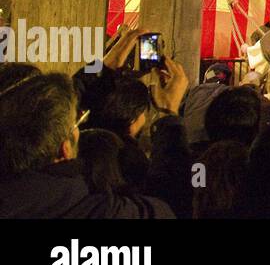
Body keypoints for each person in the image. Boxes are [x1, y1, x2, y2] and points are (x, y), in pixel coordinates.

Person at [0, 71, 173, 219]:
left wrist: (101, 65)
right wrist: (169, 114)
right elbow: (172, 207)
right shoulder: (99, 207)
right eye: (76, 122)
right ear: (65, 150)